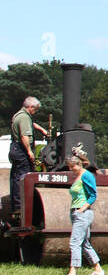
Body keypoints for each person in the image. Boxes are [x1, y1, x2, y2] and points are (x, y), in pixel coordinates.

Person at [59, 154, 105, 275]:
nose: (70, 169)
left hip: (83, 214)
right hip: (76, 212)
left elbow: (93, 195)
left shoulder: (87, 175)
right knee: (84, 242)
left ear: (79, 164)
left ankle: (73, 273)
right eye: (69, 167)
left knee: (75, 242)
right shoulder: (78, 176)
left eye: (72, 166)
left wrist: (81, 210)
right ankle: (98, 269)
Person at [8, 96, 47, 224]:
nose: (35, 112)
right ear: (30, 107)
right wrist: (30, 151)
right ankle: (21, 207)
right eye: (35, 110)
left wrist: (40, 129)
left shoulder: (19, 115)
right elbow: (24, 136)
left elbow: (29, 124)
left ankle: (17, 206)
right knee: (24, 177)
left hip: (15, 148)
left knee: (16, 176)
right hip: (21, 149)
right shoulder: (24, 117)